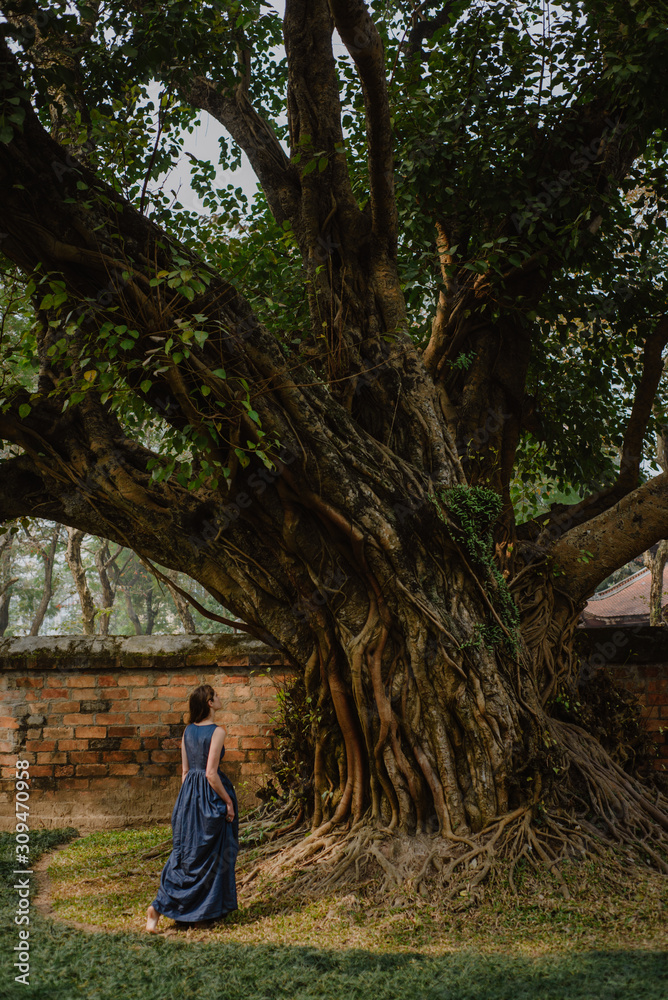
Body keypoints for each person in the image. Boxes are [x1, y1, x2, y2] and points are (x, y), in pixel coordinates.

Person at [146, 684, 239, 932]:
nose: (220, 698)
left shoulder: (187, 732)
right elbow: (210, 773)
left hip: (187, 798)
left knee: (185, 855)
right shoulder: (217, 732)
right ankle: (200, 915)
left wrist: (187, 804)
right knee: (211, 855)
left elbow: (185, 773)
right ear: (209, 702)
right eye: (216, 695)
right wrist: (228, 802)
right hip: (210, 796)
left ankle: (159, 907)